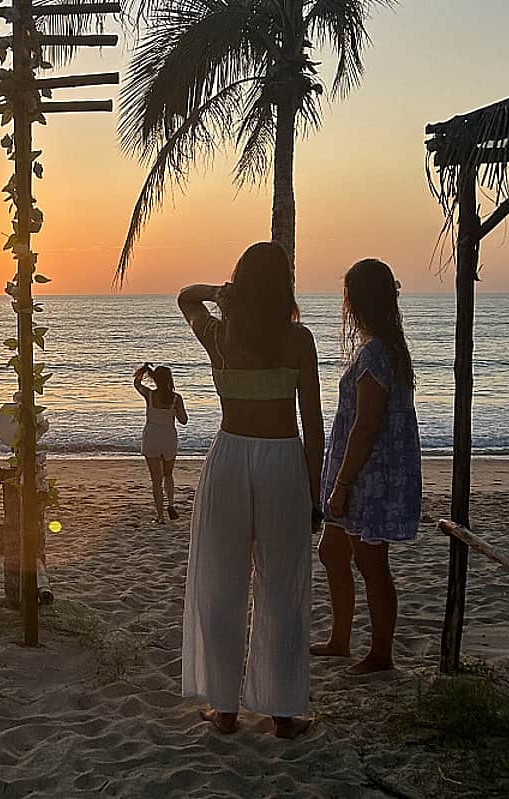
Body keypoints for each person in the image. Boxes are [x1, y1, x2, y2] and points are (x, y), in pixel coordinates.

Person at [177, 241, 323, 739]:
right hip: (283, 459)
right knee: (283, 586)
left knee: (222, 584)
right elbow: (315, 424)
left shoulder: (221, 335)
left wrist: (220, 293)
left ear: (240, 284)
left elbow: (185, 298)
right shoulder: (299, 340)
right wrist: (315, 491)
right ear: (285, 286)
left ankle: (225, 709)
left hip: (231, 457)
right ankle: (282, 712)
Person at [312, 259, 421, 674]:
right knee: (332, 551)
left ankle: (379, 654)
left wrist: (342, 483)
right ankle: (340, 640)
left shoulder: (377, 352)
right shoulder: (384, 346)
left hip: (367, 475)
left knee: (372, 562)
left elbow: (367, 423)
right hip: (361, 470)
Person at [134, 362, 188, 522]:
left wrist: (144, 369)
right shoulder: (176, 398)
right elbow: (184, 420)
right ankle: (170, 504)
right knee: (168, 474)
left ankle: (160, 517)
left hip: (152, 436)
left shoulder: (149, 395)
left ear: (156, 380)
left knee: (155, 479)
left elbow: (136, 383)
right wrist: (174, 412)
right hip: (168, 436)